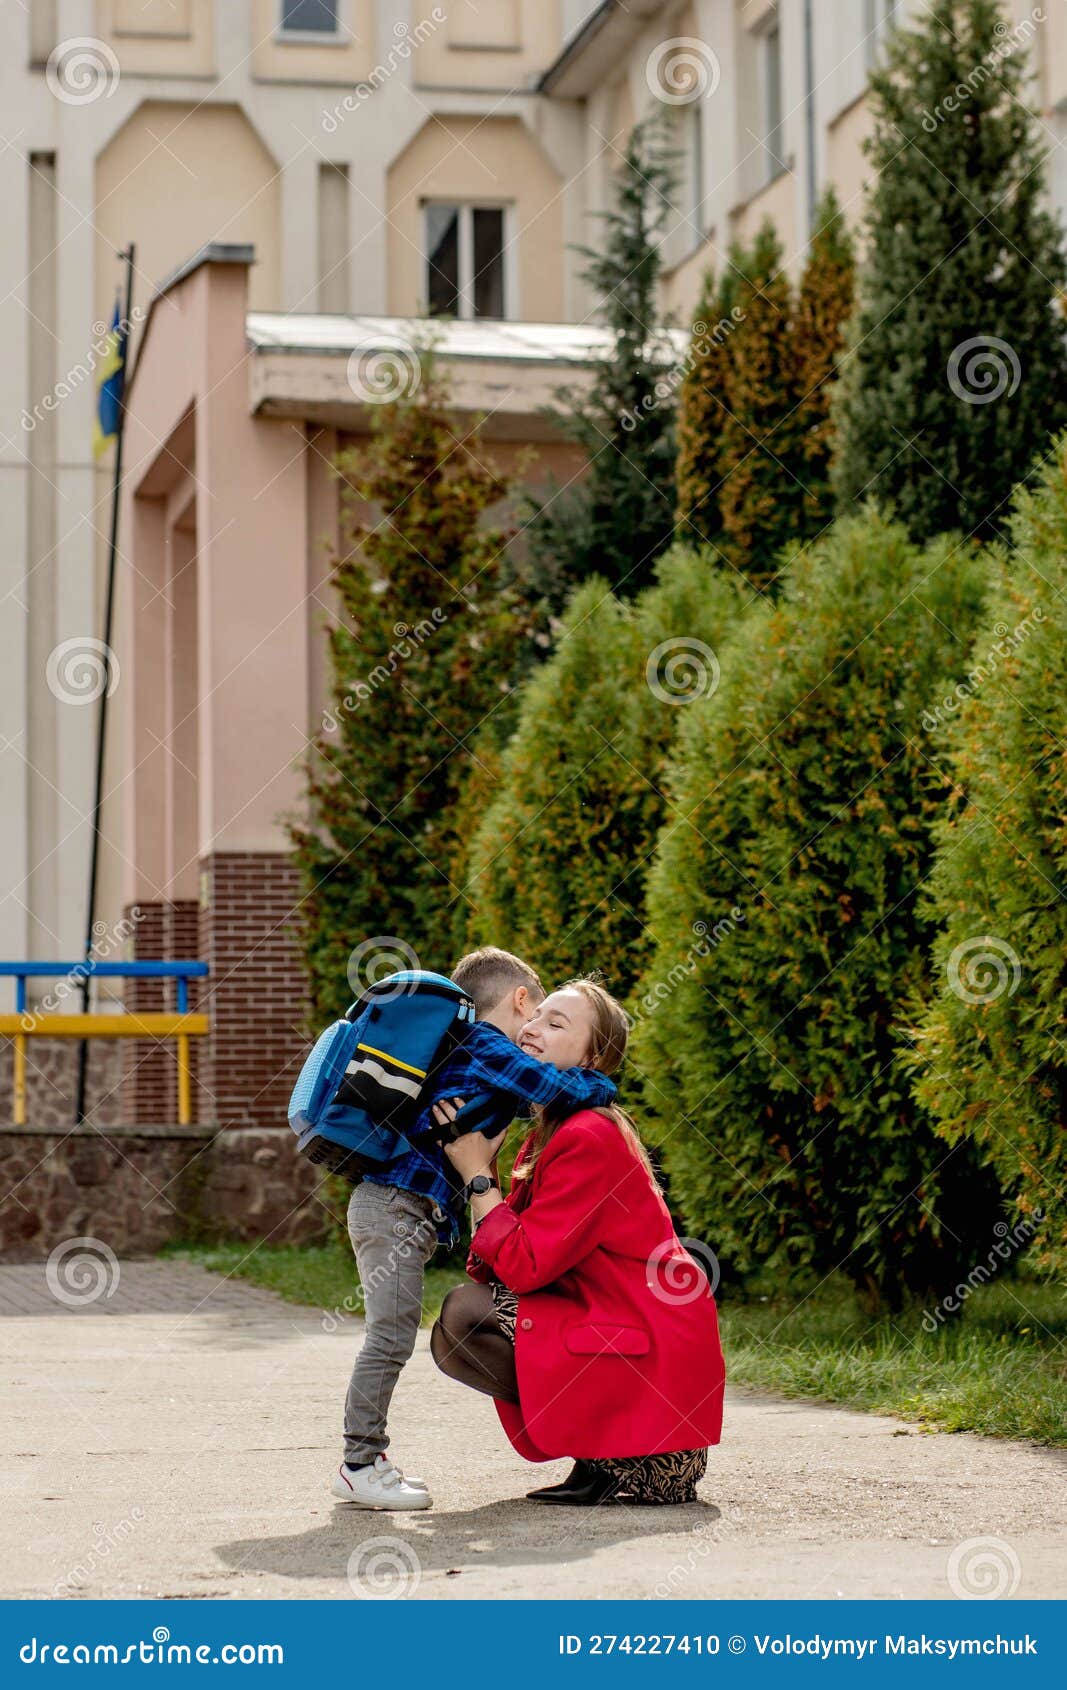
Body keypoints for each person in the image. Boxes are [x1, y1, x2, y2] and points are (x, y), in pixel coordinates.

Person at [331, 948, 618, 1511]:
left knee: (392, 1334)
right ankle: (359, 1463)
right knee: (389, 1337)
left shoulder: (465, 1056)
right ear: (519, 1000)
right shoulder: (483, 1044)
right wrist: (602, 1087)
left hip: (396, 1207)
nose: (534, 1031)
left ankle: (363, 1462)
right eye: (536, 1015)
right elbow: (554, 1087)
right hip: (392, 1206)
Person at [430, 978, 725, 1505]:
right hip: (614, 1331)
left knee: (464, 1317)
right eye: (536, 1015)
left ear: (593, 1059)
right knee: (461, 1319)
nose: (533, 1027)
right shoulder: (551, 1133)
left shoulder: (589, 1135)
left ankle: (616, 1458)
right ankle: (597, 1454)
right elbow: (494, 1264)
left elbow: (522, 1266)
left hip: (658, 1415)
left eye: (557, 1023)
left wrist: (478, 1177)